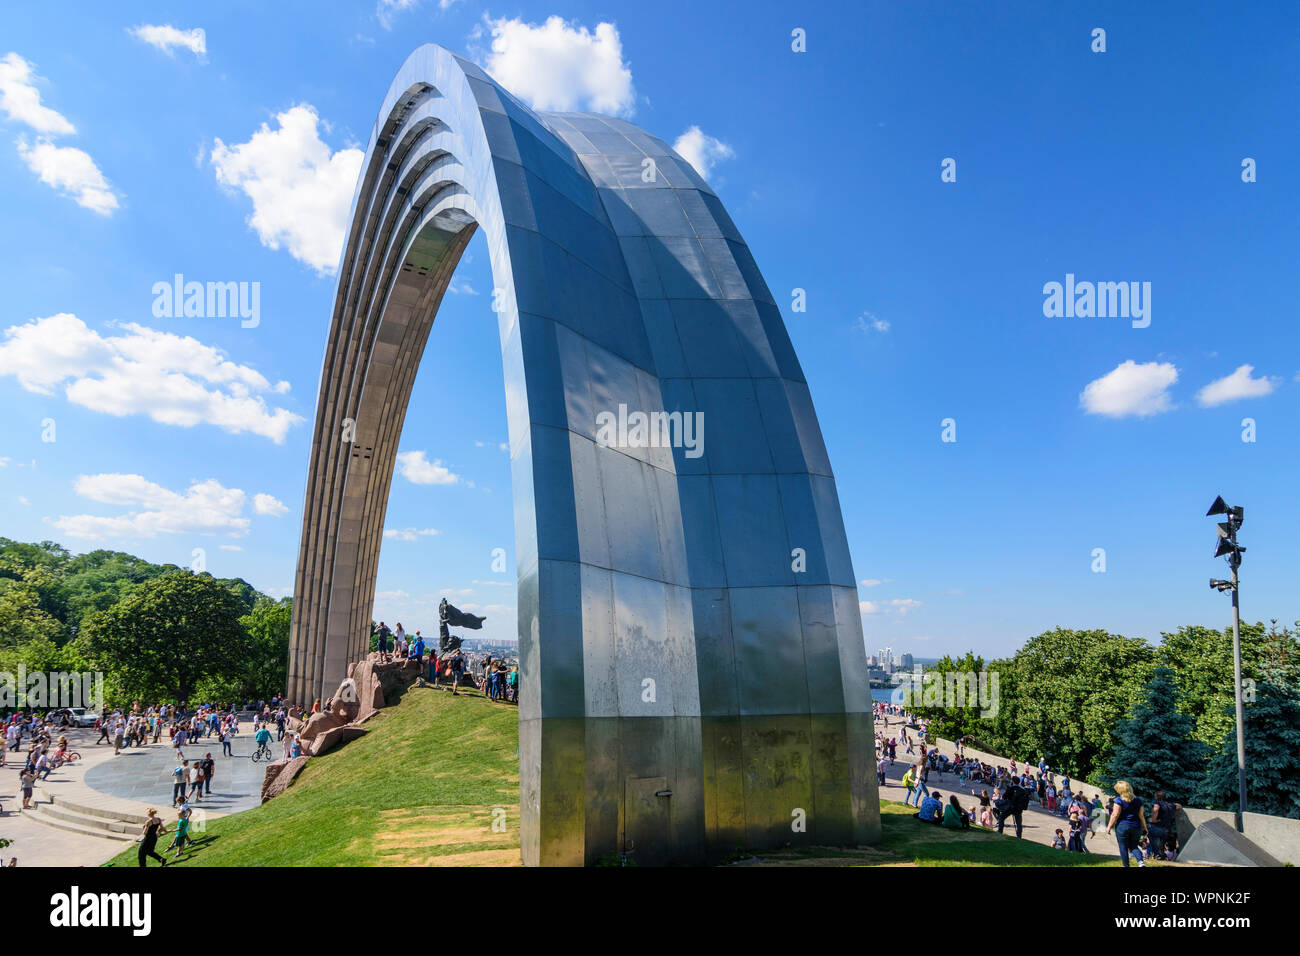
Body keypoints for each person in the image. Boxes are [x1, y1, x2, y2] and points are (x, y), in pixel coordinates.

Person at [1107, 779, 1149, 867]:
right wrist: (1145, 827)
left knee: (1123, 847)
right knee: (1134, 846)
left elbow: (1115, 815)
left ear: (1120, 790)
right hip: (1136, 826)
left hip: (1122, 826)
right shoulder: (1138, 800)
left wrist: (1109, 827)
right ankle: (1141, 863)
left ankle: (1126, 865)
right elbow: (1141, 815)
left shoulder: (1118, 800)